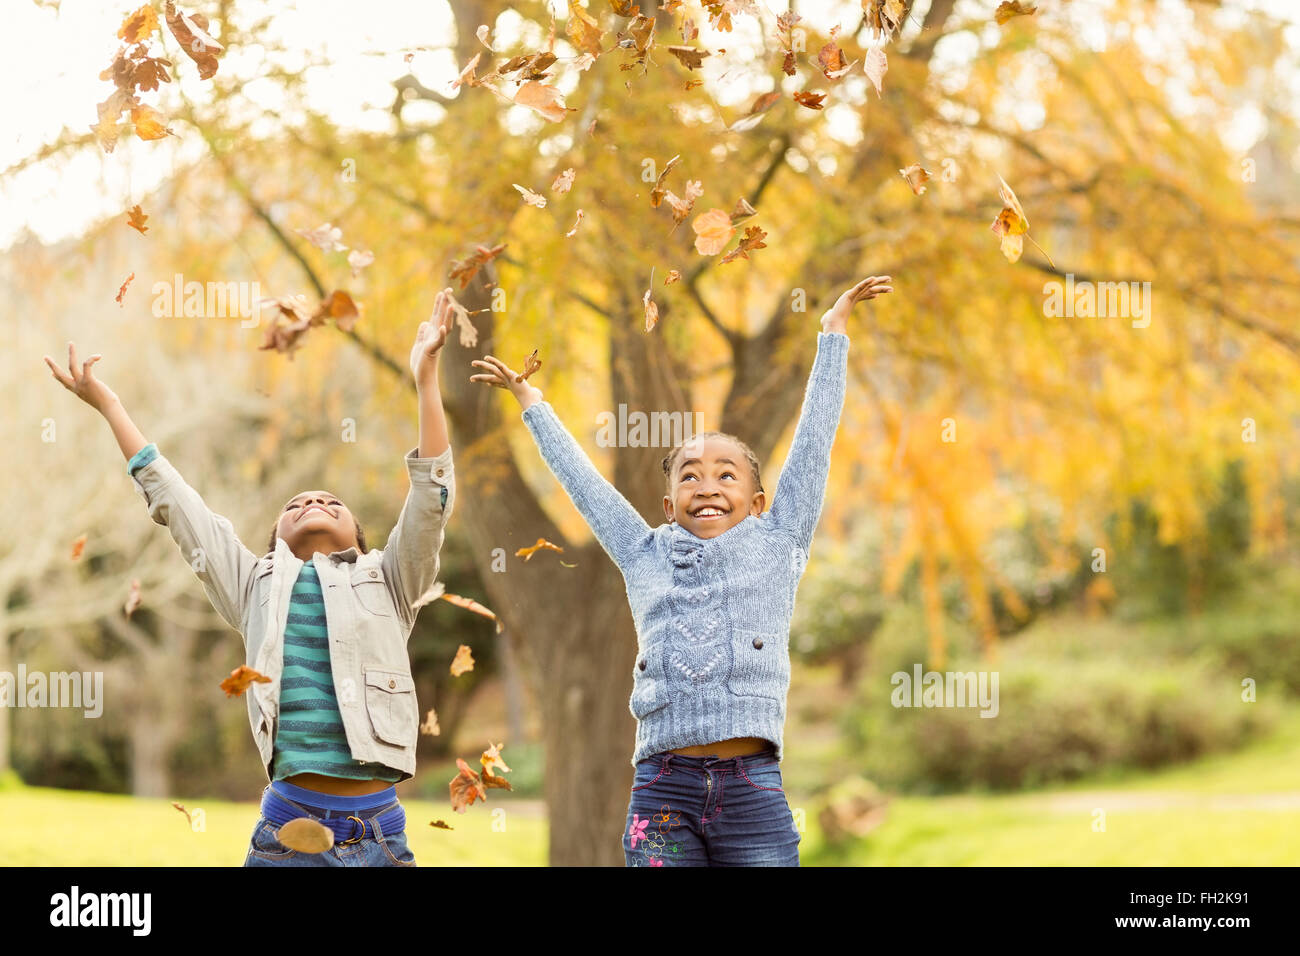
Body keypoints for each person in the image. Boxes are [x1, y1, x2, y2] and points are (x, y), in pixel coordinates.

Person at [470, 275, 893, 865]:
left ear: (758, 500)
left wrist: (831, 336)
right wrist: (534, 408)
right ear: (668, 504)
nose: (707, 486)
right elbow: (588, 490)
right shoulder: (645, 552)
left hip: (753, 787)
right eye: (689, 475)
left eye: (727, 474)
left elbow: (814, 442)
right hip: (661, 789)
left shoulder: (779, 541)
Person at [43, 288, 460, 866]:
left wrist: (426, 377)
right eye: (297, 503)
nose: (313, 500)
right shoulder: (255, 584)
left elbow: (431, 499)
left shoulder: (390, 580)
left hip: (378, 831)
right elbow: (177, 505)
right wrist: (112, 406)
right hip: (287, 825)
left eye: (330, 500)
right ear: (271, 544)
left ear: (364, 541)